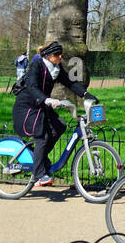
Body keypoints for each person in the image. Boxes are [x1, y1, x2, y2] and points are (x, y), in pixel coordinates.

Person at [12, 41, 96, 187]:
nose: (60, 56)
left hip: (42, 105)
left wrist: (85, 94)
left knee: (59, 126)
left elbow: (69, 82)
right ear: (49, 56)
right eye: (57, 54)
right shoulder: (36, 66)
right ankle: (39, 175)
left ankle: (40, 158)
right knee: (42, 136)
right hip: (28, 106)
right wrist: (45, 99)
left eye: (60, 53)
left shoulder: (56, 68)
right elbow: (31, 86)